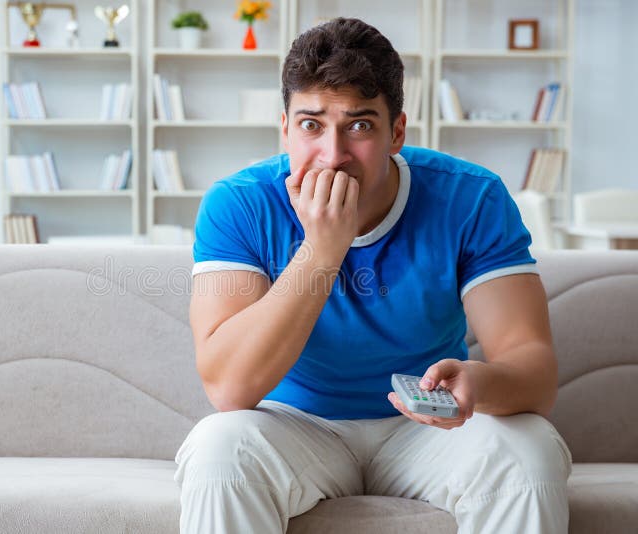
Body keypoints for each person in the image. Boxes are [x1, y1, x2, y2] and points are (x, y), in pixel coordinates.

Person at [174, 17, 572, 534]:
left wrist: (480, 383)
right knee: (217, 451)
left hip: (427, 430)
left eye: (359, 125)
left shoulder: (472, 197)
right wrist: (321, 251)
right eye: (311, 124)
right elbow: (229, 389)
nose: (333, 154)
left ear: (396, 132)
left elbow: (534, 372)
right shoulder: (240, 203)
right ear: (286, 128)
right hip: (294, 426)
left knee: (531, 453)